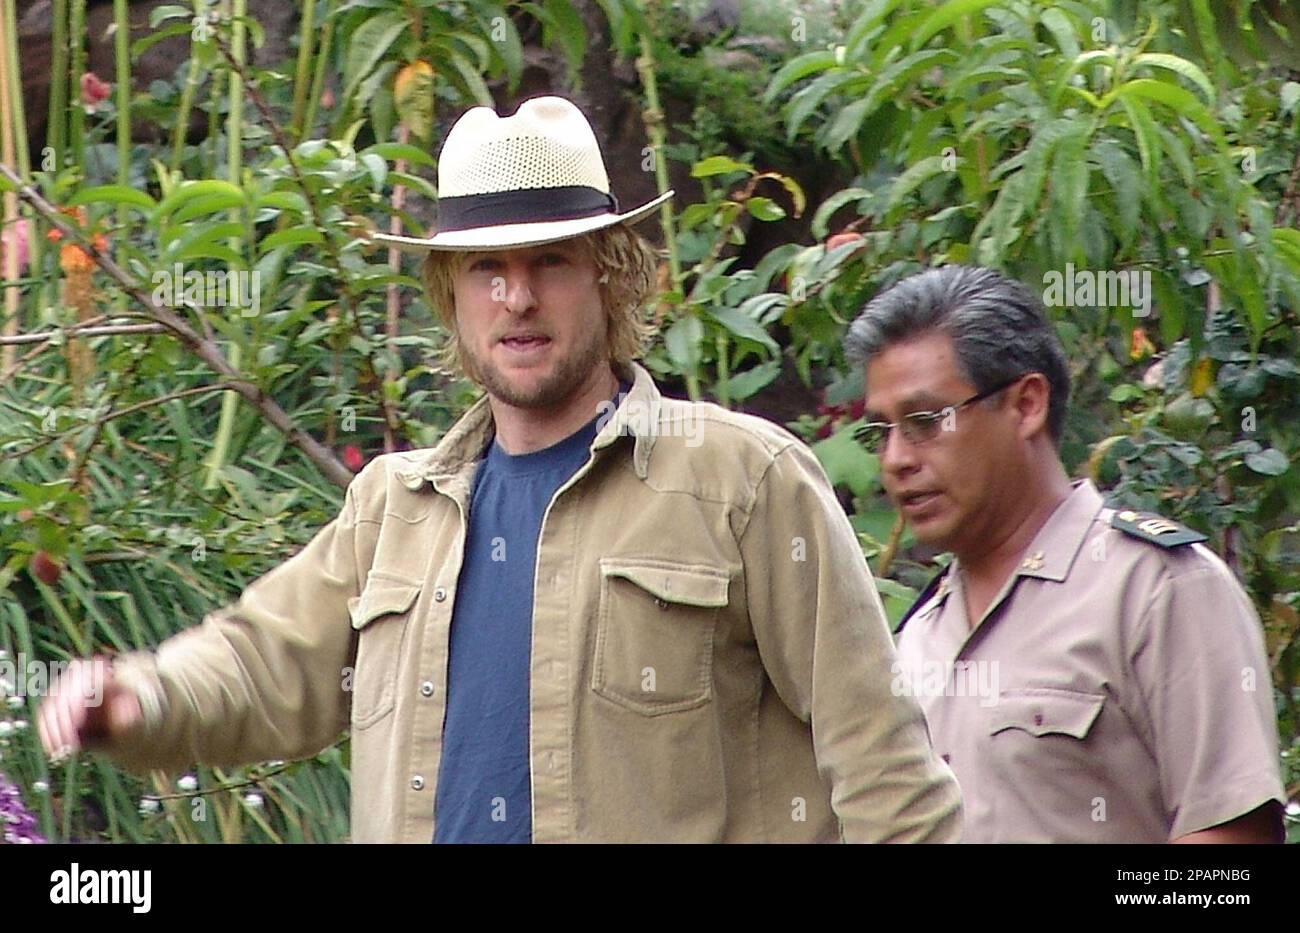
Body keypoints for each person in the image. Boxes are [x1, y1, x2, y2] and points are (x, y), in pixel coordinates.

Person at [39, 95, 961, 843]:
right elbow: (257, 664)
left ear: (610, 273)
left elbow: (883, 770)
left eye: (549, 261)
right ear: (450, 295)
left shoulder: (745, 481)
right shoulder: (393, 508)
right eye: (486, 267)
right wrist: (133, 697)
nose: (516, 296)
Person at [844, 264, 1287, 843]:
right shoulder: (919, 634)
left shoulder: (1156, 590)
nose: (896, 458)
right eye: (882, 431)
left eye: (926, 422)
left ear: (1026, 405)